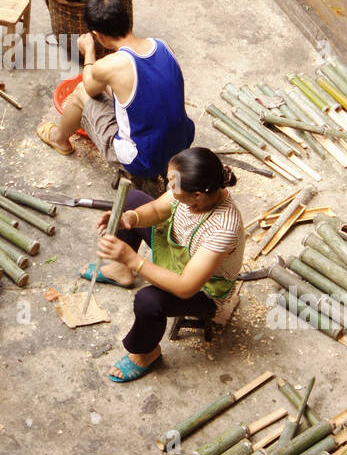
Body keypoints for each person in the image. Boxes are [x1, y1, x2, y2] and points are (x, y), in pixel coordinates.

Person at [94, 148, 245, 383]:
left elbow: (186, 287)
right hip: (180, 253)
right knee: (133, 201)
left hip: (203, 289)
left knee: (148, 302)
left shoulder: (223, 228)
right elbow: (156, 209)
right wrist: (130, 219)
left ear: (198, 196)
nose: (169, 189)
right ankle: (119, 272)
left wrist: (134, 260)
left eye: (174, 188)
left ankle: (147, 353)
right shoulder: (187, 187)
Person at [36, 0, 195, 185]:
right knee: (118, 90)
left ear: (98, 35)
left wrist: (89, 52)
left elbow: (90, 87)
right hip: (181, 143)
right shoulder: (163, 45)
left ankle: (59, 138)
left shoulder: (110, 66)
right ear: (127, 20)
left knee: (80, 92)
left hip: (143, 161)